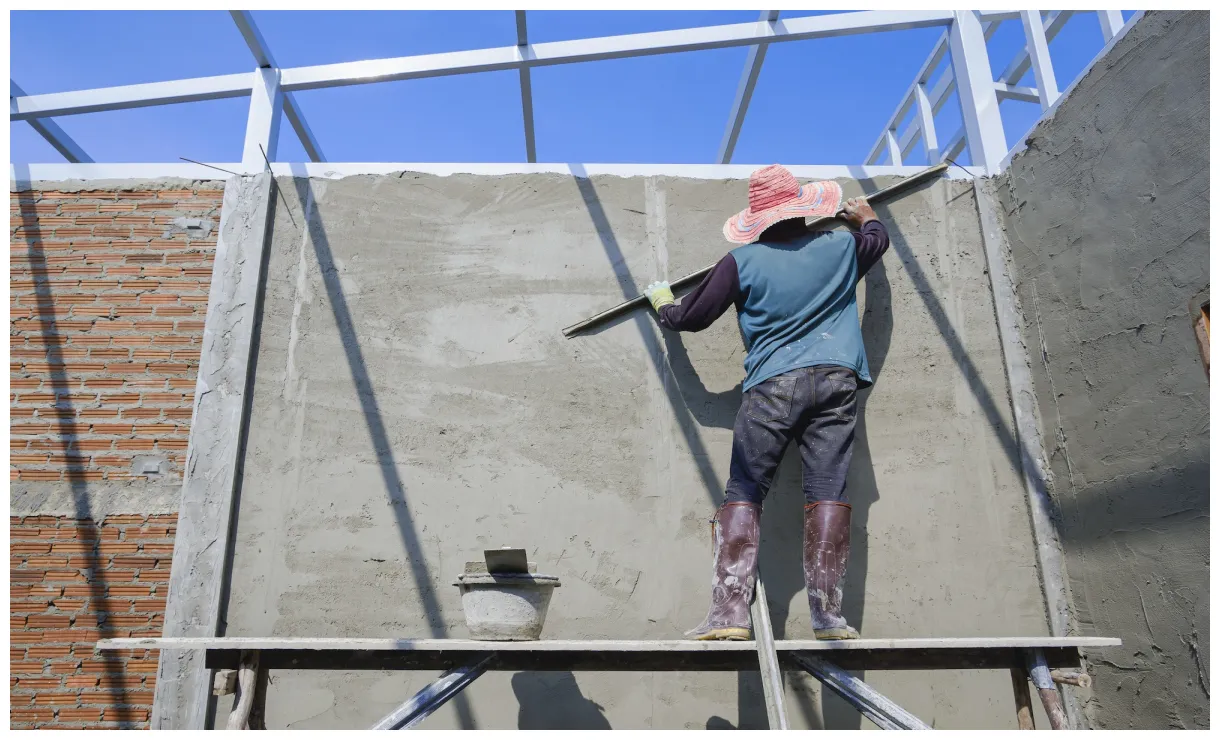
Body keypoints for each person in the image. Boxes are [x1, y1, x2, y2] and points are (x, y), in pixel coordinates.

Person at [643, 164, 890, 641]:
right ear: (802, 209)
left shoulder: (742, 262)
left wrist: (663, 303)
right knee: (827, 489)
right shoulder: (840, 247)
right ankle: (828, 618)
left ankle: (729, 616)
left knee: (745, 490)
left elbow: (690, 318)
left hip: (774, 385)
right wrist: (867, 216)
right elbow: (876, 243)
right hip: (836, 380)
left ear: (757, 219)